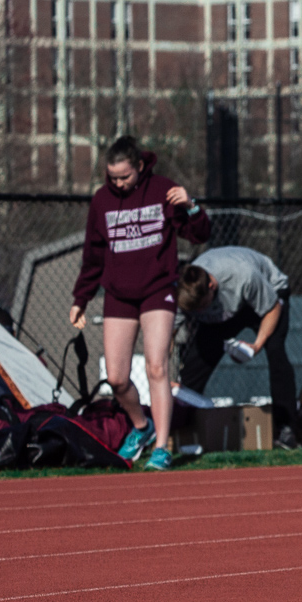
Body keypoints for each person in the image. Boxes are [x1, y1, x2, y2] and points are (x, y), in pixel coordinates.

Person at [69, 136, 210, 470]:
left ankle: (162, 447)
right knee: (117, 378)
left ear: (140, 167)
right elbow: (93, 256)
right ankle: (142, 428)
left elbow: (200, 234)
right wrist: (81, 299)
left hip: (157, 289)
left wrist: (191, 206)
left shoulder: (163, 189)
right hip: (119, 294)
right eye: (113, 177)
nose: (118, 183)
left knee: (156, 366)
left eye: (125, 176)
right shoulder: (102, 201)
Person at [173, 246, 300, 450]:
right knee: (195, 365)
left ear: (212, 285)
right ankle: (180, 426)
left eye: (201, 307)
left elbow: (273, 308)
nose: (198, 312)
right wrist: (163, 370)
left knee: (276, 352)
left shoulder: (243, 276)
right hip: (226, 310)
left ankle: (286, 428)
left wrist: (255, 346)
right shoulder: (184, 294)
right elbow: (168, 337)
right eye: (193, 310)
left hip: (269, 295)